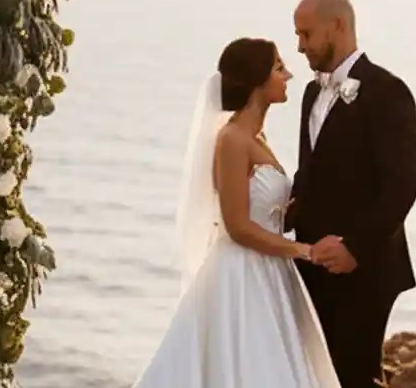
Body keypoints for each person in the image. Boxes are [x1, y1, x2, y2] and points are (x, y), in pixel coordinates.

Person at [134, 38, 340, 387]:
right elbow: (237, 225)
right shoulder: (231, 140)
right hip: (241, 273)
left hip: (269, 270)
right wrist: (303, 251)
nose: (288, 75)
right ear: (257, 80)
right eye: (278, 68)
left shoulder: (257, 138)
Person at [288, 0, 416, 388]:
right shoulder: (313, 92)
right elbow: (309, 171)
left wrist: (354, 247)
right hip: (312, 264)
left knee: (354, 377)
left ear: (338, 26)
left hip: (364, 268)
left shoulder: (388, 92)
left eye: (306, 34)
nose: (299, 46)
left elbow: (403, 185)